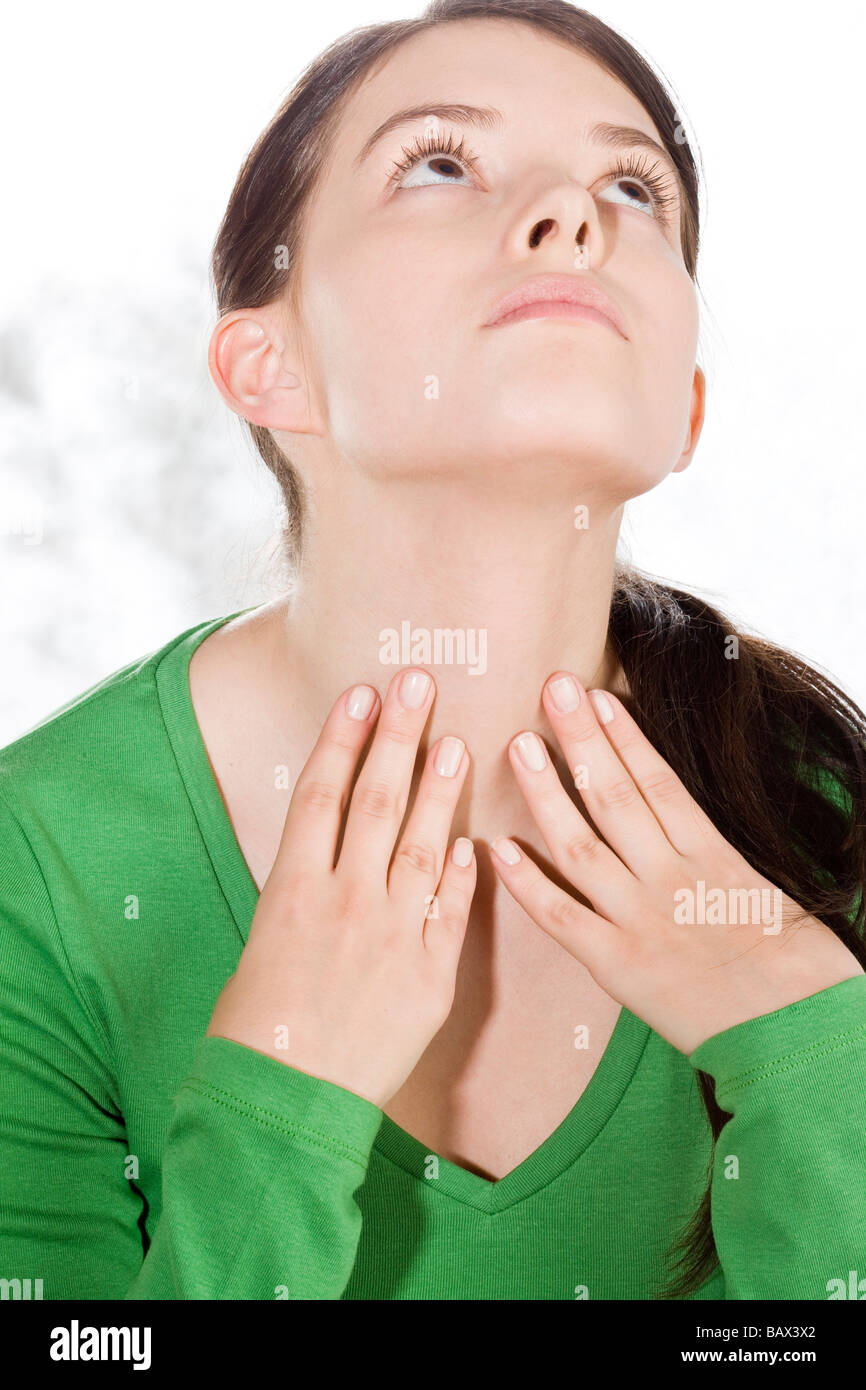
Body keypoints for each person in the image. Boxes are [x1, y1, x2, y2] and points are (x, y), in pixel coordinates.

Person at [1, 0, 864, 1302]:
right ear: (266, 363)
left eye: (632, 186)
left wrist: (804, 1036)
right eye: (440, 163)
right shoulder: (43, 866)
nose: (573, 216)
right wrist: (281, 1097)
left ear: (683, 405)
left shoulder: (817, 813)